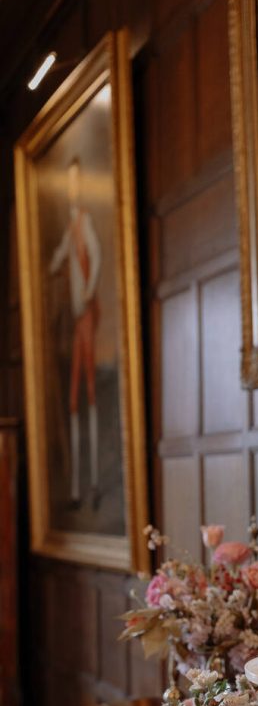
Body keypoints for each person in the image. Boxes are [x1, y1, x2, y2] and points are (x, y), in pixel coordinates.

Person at [49, 157, 102, 509]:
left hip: (85, 318)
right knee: (73, 397)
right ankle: (76, 488)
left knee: (88, 390)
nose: (72, 188)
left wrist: (86, 291)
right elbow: (58, 259)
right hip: (74, 319)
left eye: (74, 182)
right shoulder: (70, 230)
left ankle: (92, 481)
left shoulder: (85, 222)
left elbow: (95, 258)